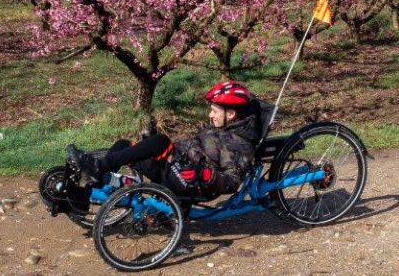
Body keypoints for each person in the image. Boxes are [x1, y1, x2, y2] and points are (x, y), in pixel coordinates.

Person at [67, 81, 263, 199]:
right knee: (124, 145)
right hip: (176, 167)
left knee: (160, 141)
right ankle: (84, 194)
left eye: (214, 111)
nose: (210, 115)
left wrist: (206, 175)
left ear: (231, 114)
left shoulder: (239, 144)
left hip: (192, 182)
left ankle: (97, 166)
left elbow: (232, 181)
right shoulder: (221, 128)